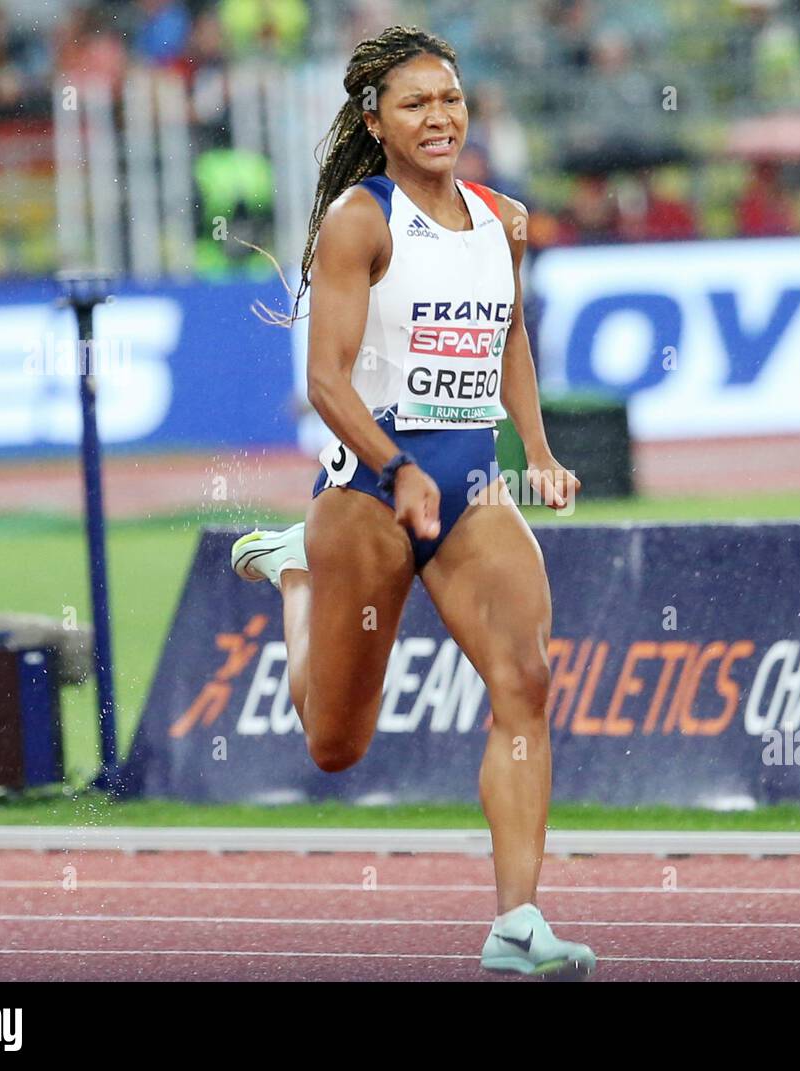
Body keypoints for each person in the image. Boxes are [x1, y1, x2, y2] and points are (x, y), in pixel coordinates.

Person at [231, 25, 595, 979]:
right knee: (335, 746)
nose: (439, 118)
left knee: (526, 679)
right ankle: (299, 577)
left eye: (450, 100)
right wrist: (395, 468)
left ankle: (517, 922)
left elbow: (510, 338)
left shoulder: (504, 219)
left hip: (472, 489)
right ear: (375, 120)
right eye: (415, 104)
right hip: (366, 495)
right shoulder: (363, 219)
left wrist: (542, 452)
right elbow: (327, 381)